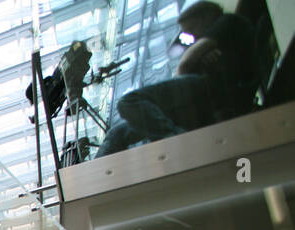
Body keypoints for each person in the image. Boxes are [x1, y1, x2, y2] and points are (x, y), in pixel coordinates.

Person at [96, 2, 257, 158]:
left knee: (129, 102)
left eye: (192, 28)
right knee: (117, 133)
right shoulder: (222, 43)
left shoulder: (227, 21)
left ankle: (174, 139)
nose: (192, 36)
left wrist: (188, 64)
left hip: (215, 92)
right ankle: (96, 177)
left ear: (206, 17)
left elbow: (187, 61)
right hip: (203, 105)